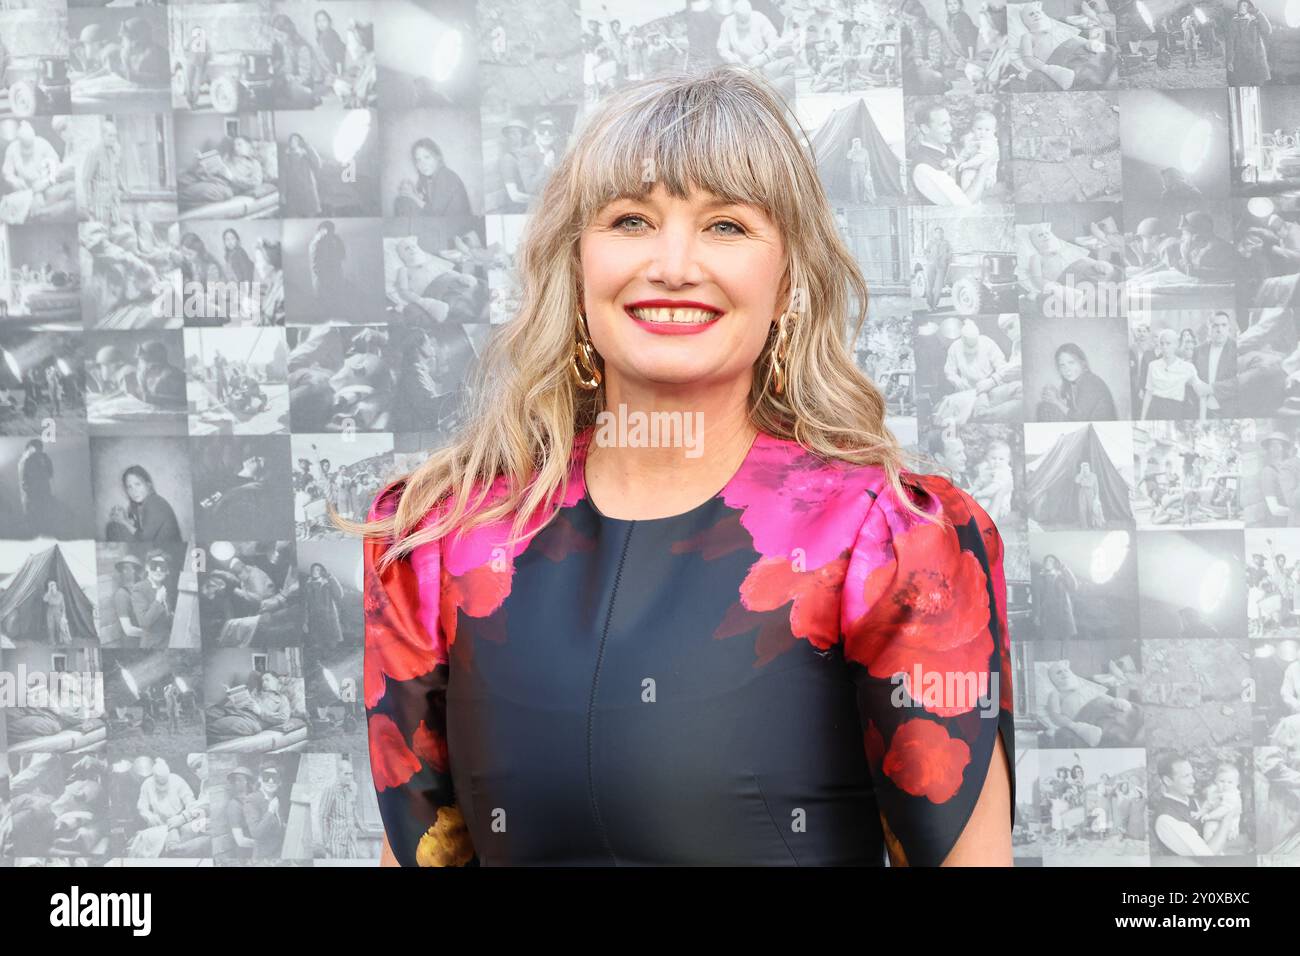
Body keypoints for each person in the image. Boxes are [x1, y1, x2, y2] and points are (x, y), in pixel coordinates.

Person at [350, 67, 1015, 868]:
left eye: (726, 226)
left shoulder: (886, 541)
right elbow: (418, 856)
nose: (672, 264)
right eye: (631, 220)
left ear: (789, 283)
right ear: (577, 268)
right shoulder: (443, 540)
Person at [106, 465, 183, 544]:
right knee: (114, 526)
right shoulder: (144, 503)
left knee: (113, 527)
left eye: (138, 484)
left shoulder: (154, 503)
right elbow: (142, 530)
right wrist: (125, 518)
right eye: (129, 487)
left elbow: (144, 538)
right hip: (155, 547)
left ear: (148, 484)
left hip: (168, 550)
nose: (134, 491)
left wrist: (123, 521)